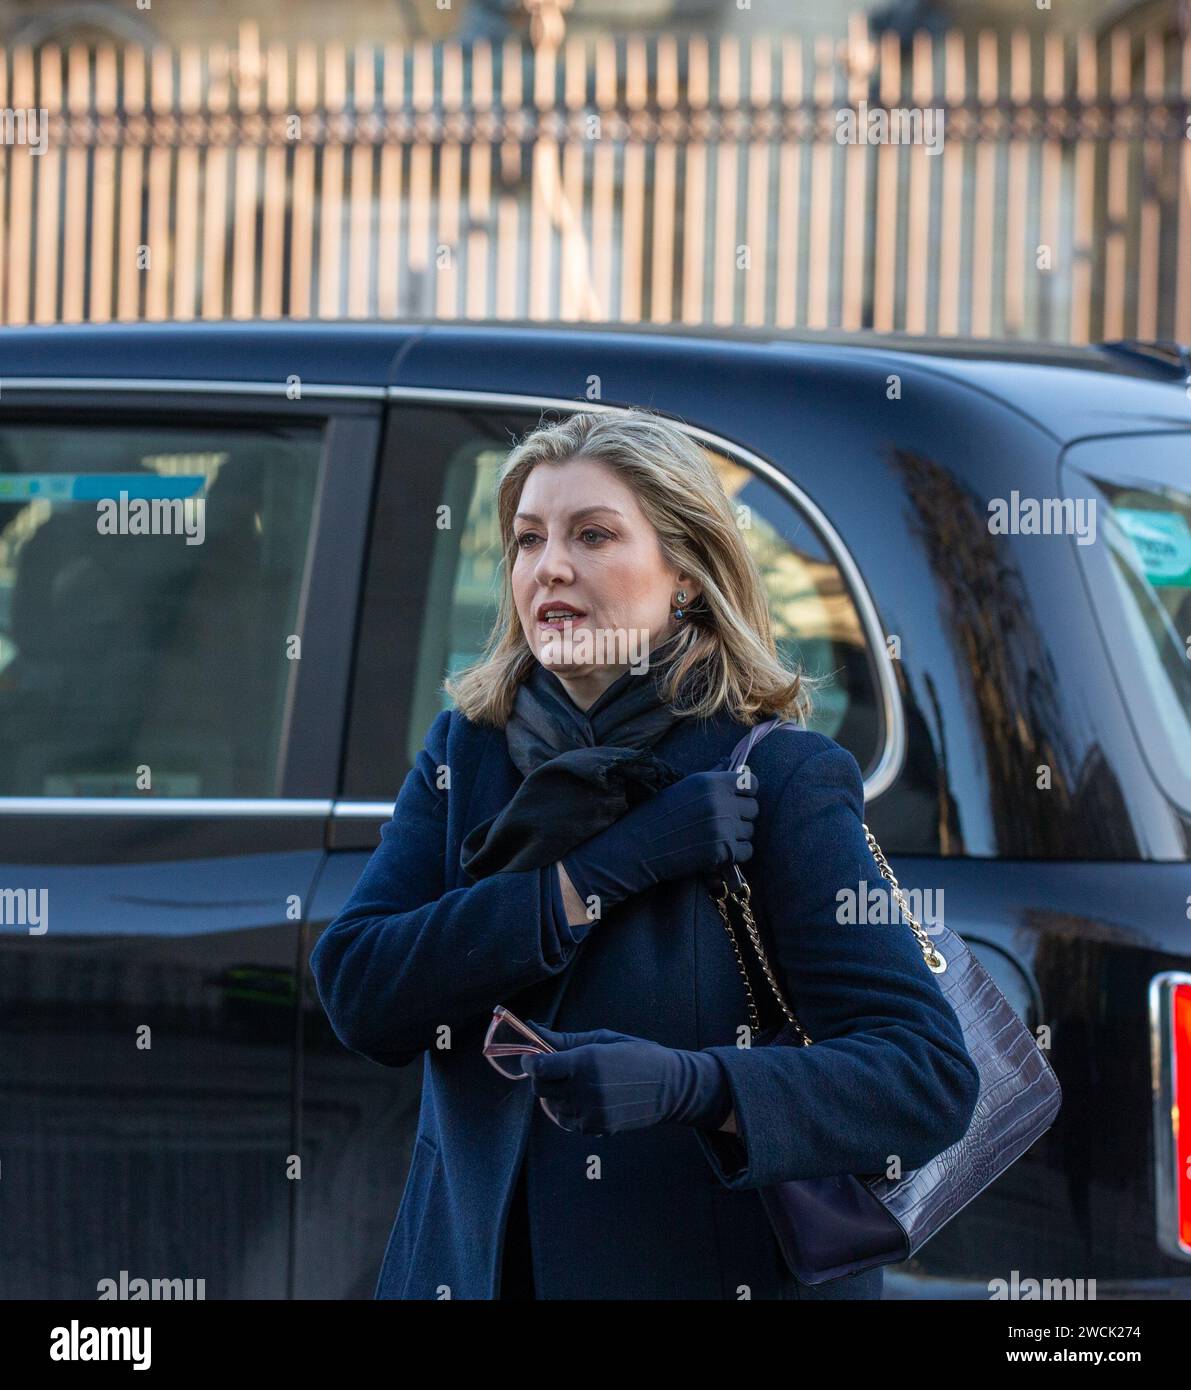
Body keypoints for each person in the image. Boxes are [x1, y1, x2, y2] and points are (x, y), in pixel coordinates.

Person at [310, 407, 981, 1300]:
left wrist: (695, 1086)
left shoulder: (779, 777)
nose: (549, 566)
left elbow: (924, 1080)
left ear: (687, 574)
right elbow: (360, 992)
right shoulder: (465, 754)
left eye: (592, 536)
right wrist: (588, 878)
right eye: (527, 540)